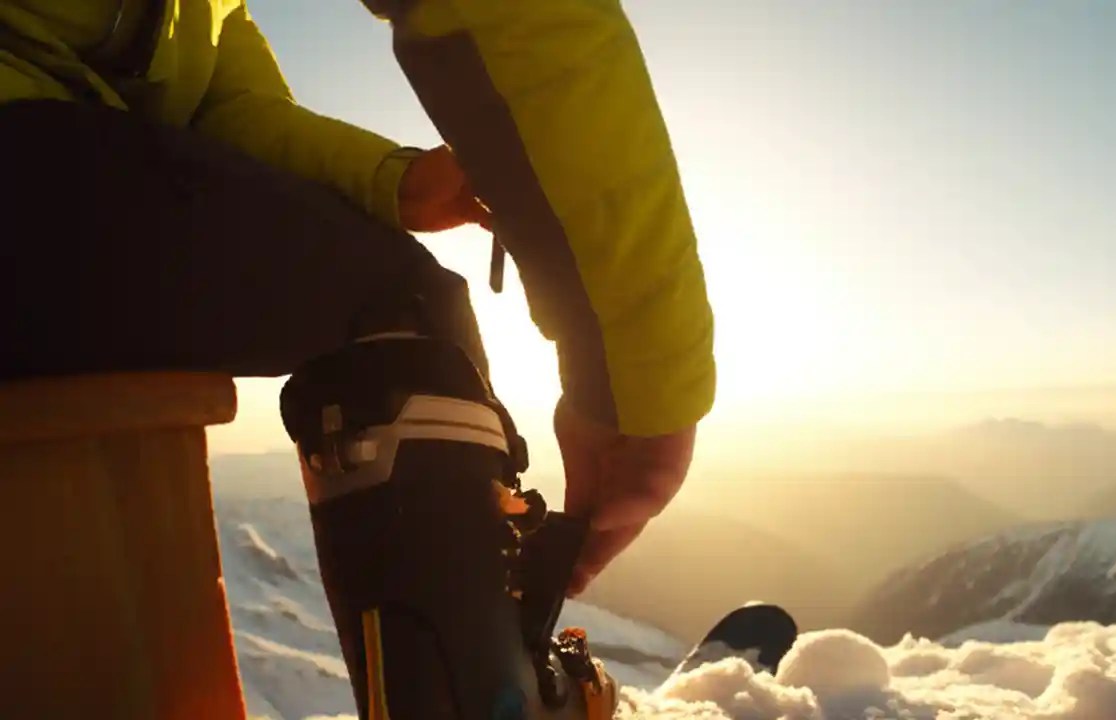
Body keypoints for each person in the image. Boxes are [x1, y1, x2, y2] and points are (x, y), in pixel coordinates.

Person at [0, 0, 714, 716]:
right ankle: (491, 698)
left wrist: (387, 177)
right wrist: (641, 368)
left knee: (407, 303)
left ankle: (485, 686)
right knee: (401, 315)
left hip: (68, 168)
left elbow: (228, 107)